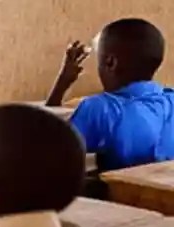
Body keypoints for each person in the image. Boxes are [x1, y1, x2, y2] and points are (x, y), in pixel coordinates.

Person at [47, 18, 174, 171]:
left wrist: (61, 85)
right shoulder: (170, 99)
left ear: (110, 63)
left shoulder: (100, 108)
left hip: (120, 193)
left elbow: (51, 149)